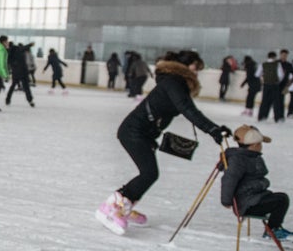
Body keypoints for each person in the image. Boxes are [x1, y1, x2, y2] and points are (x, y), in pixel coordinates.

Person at [96, 50, 231, 235]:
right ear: (184, 65)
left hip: (145, 134)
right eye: (195, 67)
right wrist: (213, 129)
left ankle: (125, 206)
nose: (197, 72)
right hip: (133, 131)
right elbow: (188, 110)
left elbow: (186, 110)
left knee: (149, 173)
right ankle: (111, 207)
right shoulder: (173, 82)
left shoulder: (176, 82)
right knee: (149, 173)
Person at [220, 125, 293, 241]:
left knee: (280, 198)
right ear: (255, 145)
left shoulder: (252, 156)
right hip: (247, 204)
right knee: (281, 200)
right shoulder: (239, 160)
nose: (261, 146)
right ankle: (272, 230)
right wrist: (226, 200)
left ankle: (275, 227)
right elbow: (229, 178)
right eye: (260, 144)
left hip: (255, 197)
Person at [5, 40, 35, 107]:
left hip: (16, 72)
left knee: (12, 86)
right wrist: (30, 44)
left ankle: (7, 99)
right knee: (26, 87)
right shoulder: (17, 49)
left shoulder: (8, 53)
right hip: (23, 71)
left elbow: (8, 63)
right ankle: (30, 100)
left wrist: (9, 71)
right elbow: (23, 48)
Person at [257, 51, 284, 122]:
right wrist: (277, 81)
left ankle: (262, 116)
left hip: (266, 84)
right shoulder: (277, 64)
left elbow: (257, 74)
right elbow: (281, 75)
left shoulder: (263, 64)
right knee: (276, 102)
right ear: (274, 57)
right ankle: (277, 118)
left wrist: (263, 78)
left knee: (264, 101)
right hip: (275, 85)